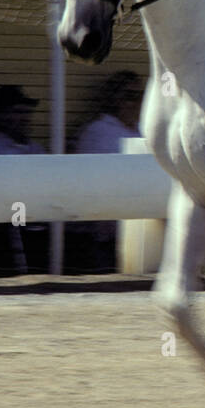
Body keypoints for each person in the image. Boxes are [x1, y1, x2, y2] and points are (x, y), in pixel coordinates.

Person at [70, 71, 144, 272]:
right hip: (102, 234)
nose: (136, 102)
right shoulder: (98, 132)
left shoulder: (143, 130)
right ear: (115, 99)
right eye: (129, 96)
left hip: (141, 227)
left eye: (140, 96)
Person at [0, 85, 47, 274]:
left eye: (26, 112)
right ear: (1, 116)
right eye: (17, 112)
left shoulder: (36, 149)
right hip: (0, 225)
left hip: (29, 221)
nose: (24, 118)